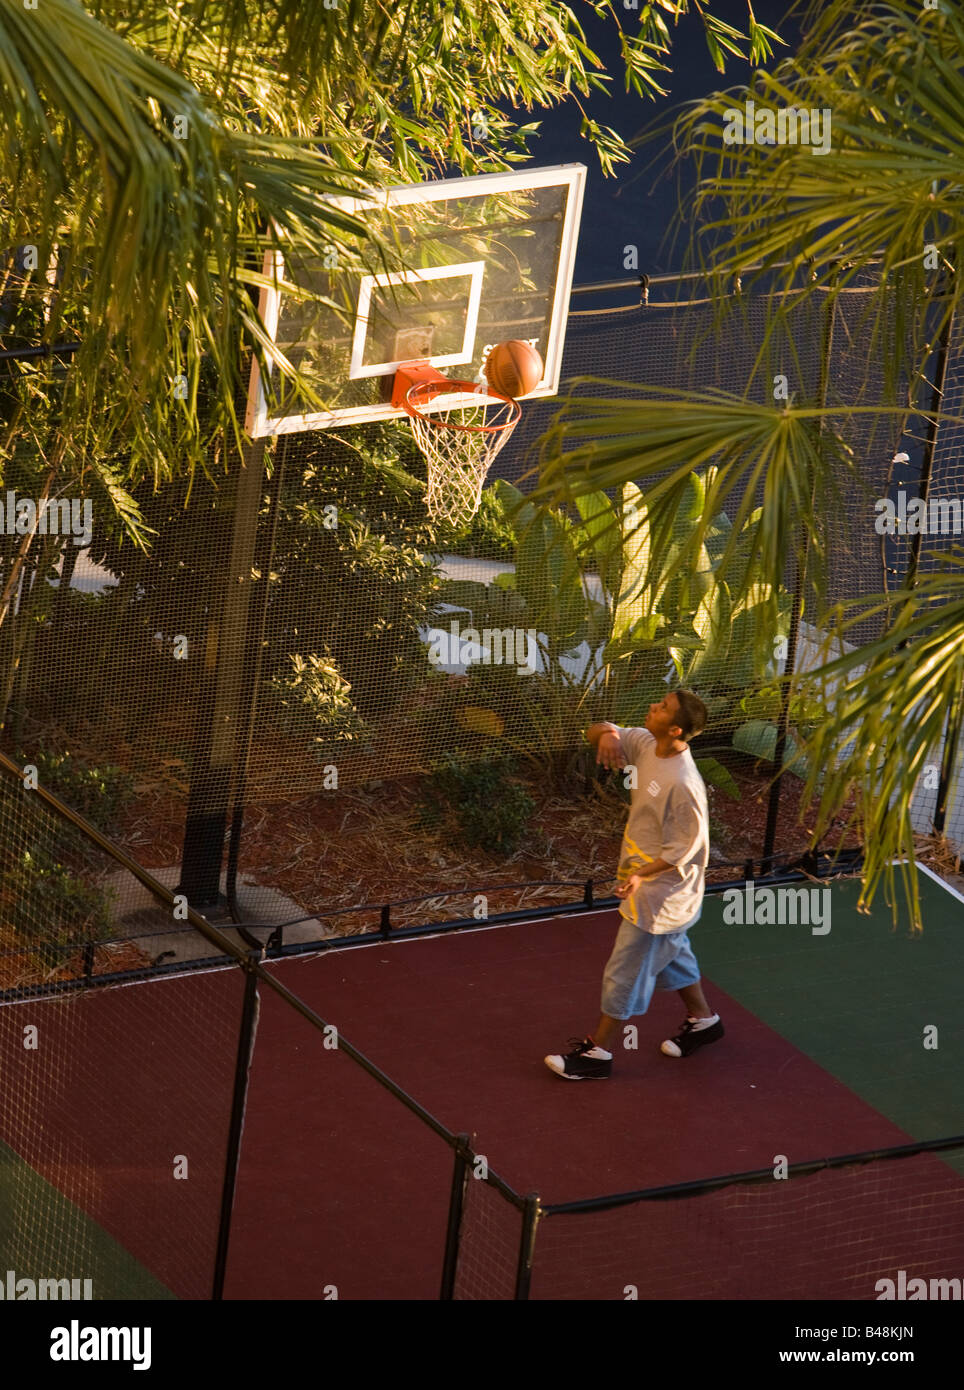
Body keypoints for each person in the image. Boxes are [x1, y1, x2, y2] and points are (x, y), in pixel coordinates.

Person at [545, 689, 723, 1080]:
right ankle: (704, 1020)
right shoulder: (647, 744)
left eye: (661, 708)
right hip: (643, 881)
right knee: (673, 956)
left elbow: (684, 850)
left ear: (675, 728)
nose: (652, 706)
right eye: (656, 701)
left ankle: (597, 1054)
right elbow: (596, 732)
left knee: (625, 970)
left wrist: (641, 875)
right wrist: (607, 734)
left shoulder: (683, 784)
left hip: (663, 893)